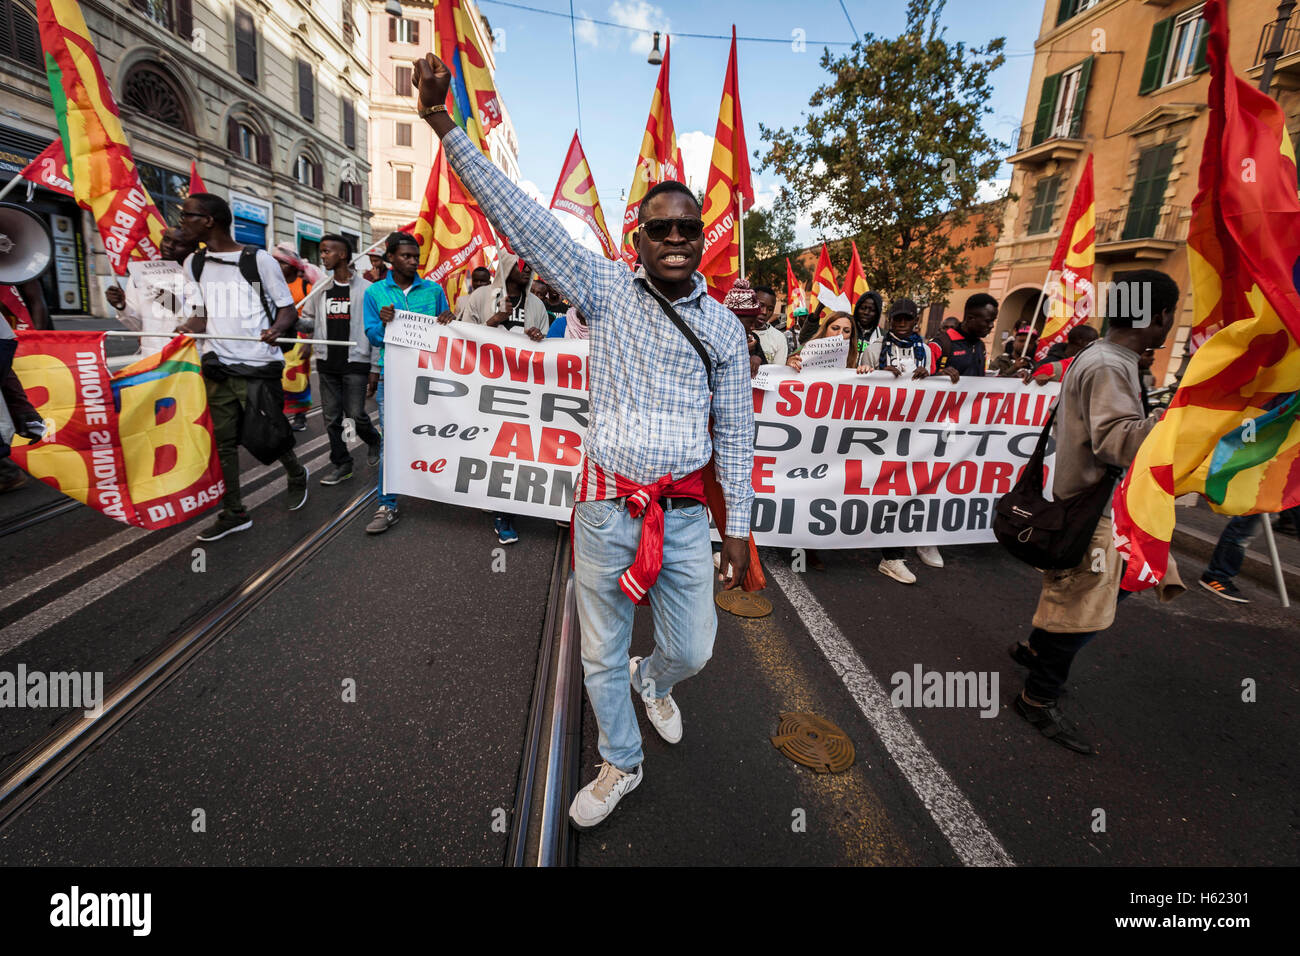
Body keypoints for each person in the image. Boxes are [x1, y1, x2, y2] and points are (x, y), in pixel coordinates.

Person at [417, 51, 753, 829]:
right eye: (658, 228)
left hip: (688, 518)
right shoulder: (602, 288)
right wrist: (442, 123)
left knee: (694, 648)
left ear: (702, 239)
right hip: (605, 511)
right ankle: (621, 763)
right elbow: (520, 214)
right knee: (598, 653)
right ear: (637, 239)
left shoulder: (726, 332)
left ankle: (656, 680)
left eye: (686, 228)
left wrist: (739, 529)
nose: (674, 237)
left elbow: (734, 435)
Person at [1008, 269, 1180, 755]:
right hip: (1097, 512)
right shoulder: (1109, 364)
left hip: (1094, 507)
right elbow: (1118, 441)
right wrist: (1177, 417)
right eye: (1171, 313)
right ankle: (1037, 698)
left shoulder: (1107, 356)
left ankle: (1038, 652)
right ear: (1159, 316)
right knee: (1084, 610)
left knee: (1078, 596)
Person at [176, 193, 309, 541]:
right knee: (224, 442)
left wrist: (277, 329)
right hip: (218, 364)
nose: (181, 222)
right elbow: (200, 314)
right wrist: (186, 329)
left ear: (209, 221)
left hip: (258, 364)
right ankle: (234, 511)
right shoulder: (194, 262)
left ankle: (296, 471)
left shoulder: (257, 260)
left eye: (187, 216)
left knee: (266, 435)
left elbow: (287, 309)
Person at [447, 250, 548, 545]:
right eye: (522, 265)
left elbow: (546, 346)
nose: (528, 270)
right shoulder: (480, 297)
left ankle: (506, 515)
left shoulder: (536, 304)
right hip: (485, 386)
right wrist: (494, 321)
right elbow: (463, 340)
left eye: (531, 266)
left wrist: (538, 339)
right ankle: (491, 495)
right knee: (489, 446)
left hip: (522, 388)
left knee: (512, 450)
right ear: (506, 266)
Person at [362, 231, 449, 535]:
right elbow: (372, 335)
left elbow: (446, 331)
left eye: (416, 257)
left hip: (430, 377)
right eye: (406, 256)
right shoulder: (374, 293)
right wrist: (383, 323)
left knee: (440, 434)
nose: (413, 262)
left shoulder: (434, 290)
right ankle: (386, 504)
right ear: (390, 258)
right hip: (394, 377)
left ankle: (444, 486)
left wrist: (448, 320)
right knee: (392, 442)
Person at [867, 298, 944, 582]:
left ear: (915, 321)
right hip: (879, 428)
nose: (901, 324)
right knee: (873, 487)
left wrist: (936, 376)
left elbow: (936, 388)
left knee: (903, 488)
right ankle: (860, 537)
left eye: (907, 319)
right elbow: (858, 382)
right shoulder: (876, 348)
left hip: (915, 430)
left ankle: (893, 555)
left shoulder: (925, 350)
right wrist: (879, 376)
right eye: (897, 319)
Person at [300, 234, 382, 487]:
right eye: (322, 252)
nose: (323, 256)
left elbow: (376, 330)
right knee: (332, 418)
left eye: (327, 251)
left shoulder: (367, 291)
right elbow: (309, 321)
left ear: (343, 255)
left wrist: (374, 368)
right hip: (327, 363)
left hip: (356, 363)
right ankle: (342, 462)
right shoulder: (320, 289)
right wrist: (292, 321)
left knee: (356, 415)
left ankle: (374, 441)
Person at [105, 227, 198, 355]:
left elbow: (204, 322)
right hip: (152, 357)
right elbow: (138, 327)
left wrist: (176, 306)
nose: (169, 246)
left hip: (186, 356)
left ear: (193, 248)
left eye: (179, 244)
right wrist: (121, 306)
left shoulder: (198, 277)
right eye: (166, 240)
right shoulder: (141, 274)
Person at [273, 244, 317, 431]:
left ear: (292, 265)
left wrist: (308, 342)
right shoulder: (269, 284)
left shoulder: (306, 285)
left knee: (297, 378)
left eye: (281, 263)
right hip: (276, 335)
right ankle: (277, 415)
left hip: (300, 336)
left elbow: (314, 316)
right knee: (276, 377)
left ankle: (300, 416)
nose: (276, 266)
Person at [931, 293, 995, 380]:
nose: (992, 325)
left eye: (993, 321)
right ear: (970, 318)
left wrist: (1014, 379)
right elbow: (920, 383)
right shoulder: (939, 344)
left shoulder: (980, 346)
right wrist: (939, 376)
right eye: (988, 321)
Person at [1023, 324, 1099, 384]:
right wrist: (1037, 380)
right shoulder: (1049, 365)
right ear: (1081, 342)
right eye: (1093, 342)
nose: (1096, 347)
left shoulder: (1087, 365)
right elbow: (1028, 384)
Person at [785, 311, 860, 371]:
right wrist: (789, 364)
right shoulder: (805, 350)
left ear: (851, 336)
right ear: (825, 330)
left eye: (846, 331)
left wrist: (864, 373)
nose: (840, 334)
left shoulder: (852, 359)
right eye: (835, 328)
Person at [749, 284, 788, 367]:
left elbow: (777, 373)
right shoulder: (736, 331)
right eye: (761, 305)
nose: (765, 312)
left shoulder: (779, 338)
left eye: (770, 309)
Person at [851, 290, 884, 368]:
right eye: (863, 308)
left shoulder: (882, 336)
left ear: (877, 314)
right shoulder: (846, 330)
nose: (866, 312)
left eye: (872, 310)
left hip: (868, 378)